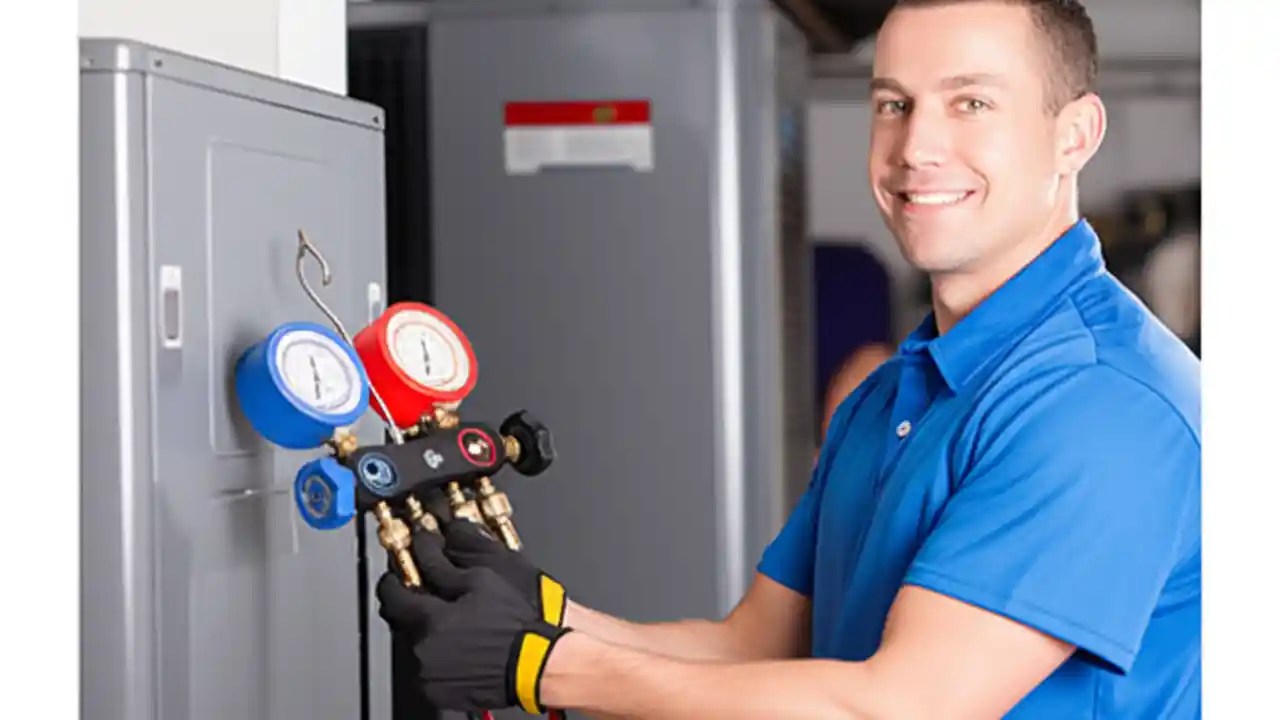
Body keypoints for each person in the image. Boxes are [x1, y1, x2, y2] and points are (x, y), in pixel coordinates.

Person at [376, 1, 1202, 717]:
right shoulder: (891, 395)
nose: (916, 147)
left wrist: (545, 668)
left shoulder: (1103, 403)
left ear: (1075, 135)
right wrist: (545, 617)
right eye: (893, 104)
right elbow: (753, 648)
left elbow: (903, 706)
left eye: (971, 103)